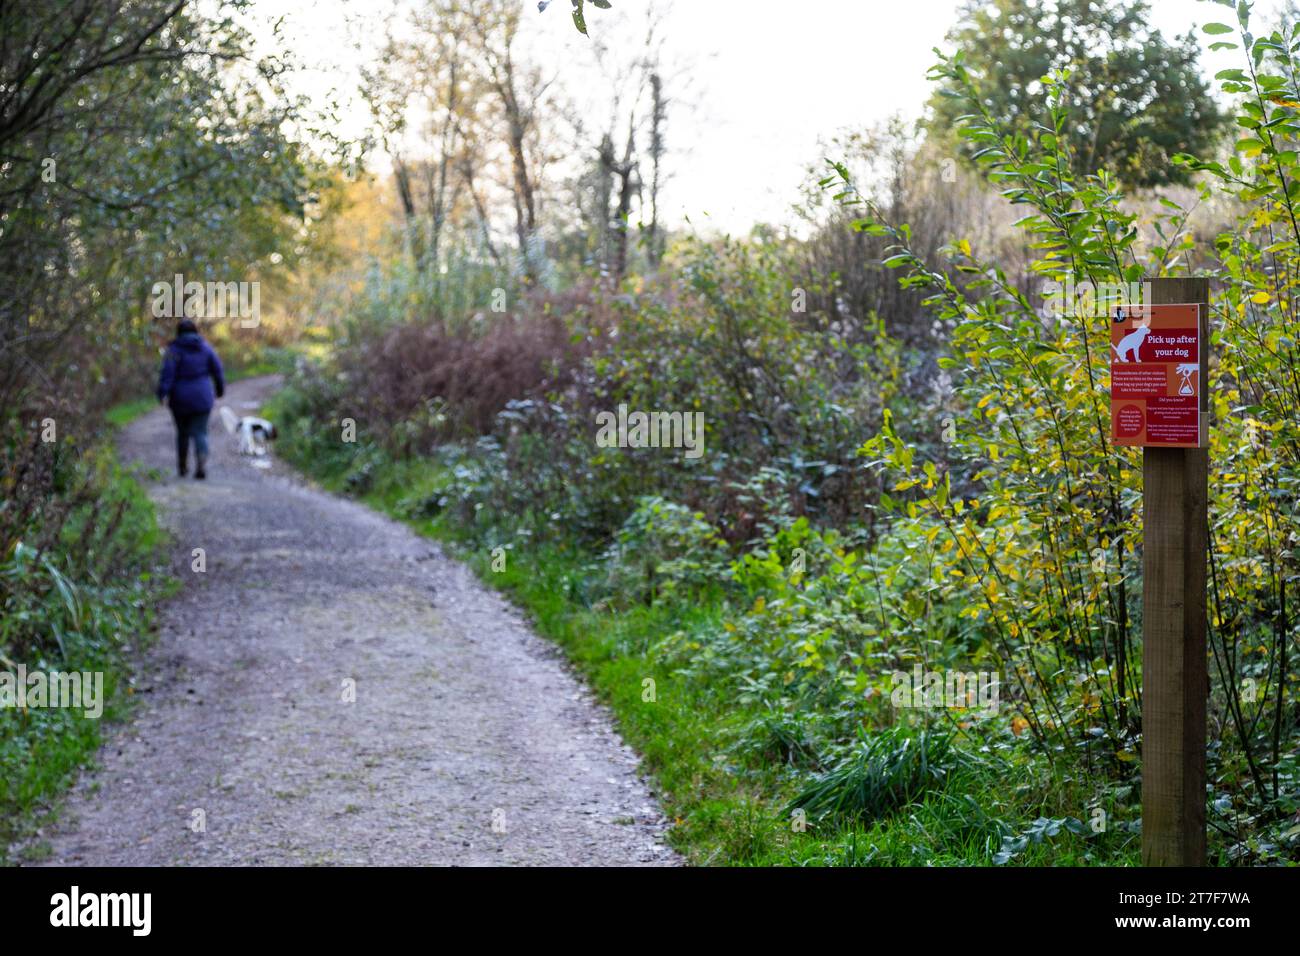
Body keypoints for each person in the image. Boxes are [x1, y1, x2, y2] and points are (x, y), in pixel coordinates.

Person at [156, 319, 225, 479]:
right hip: (202, 397)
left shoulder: (173, 350)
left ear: (178, 332)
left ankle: (183, 466)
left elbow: (167, 374)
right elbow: (218, 370)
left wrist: (162, 393)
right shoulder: (206, 348)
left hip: (179, 398)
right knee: (201, 432)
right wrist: (220, 389)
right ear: (195, 331)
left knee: (182, 433)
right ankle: (201, 462)